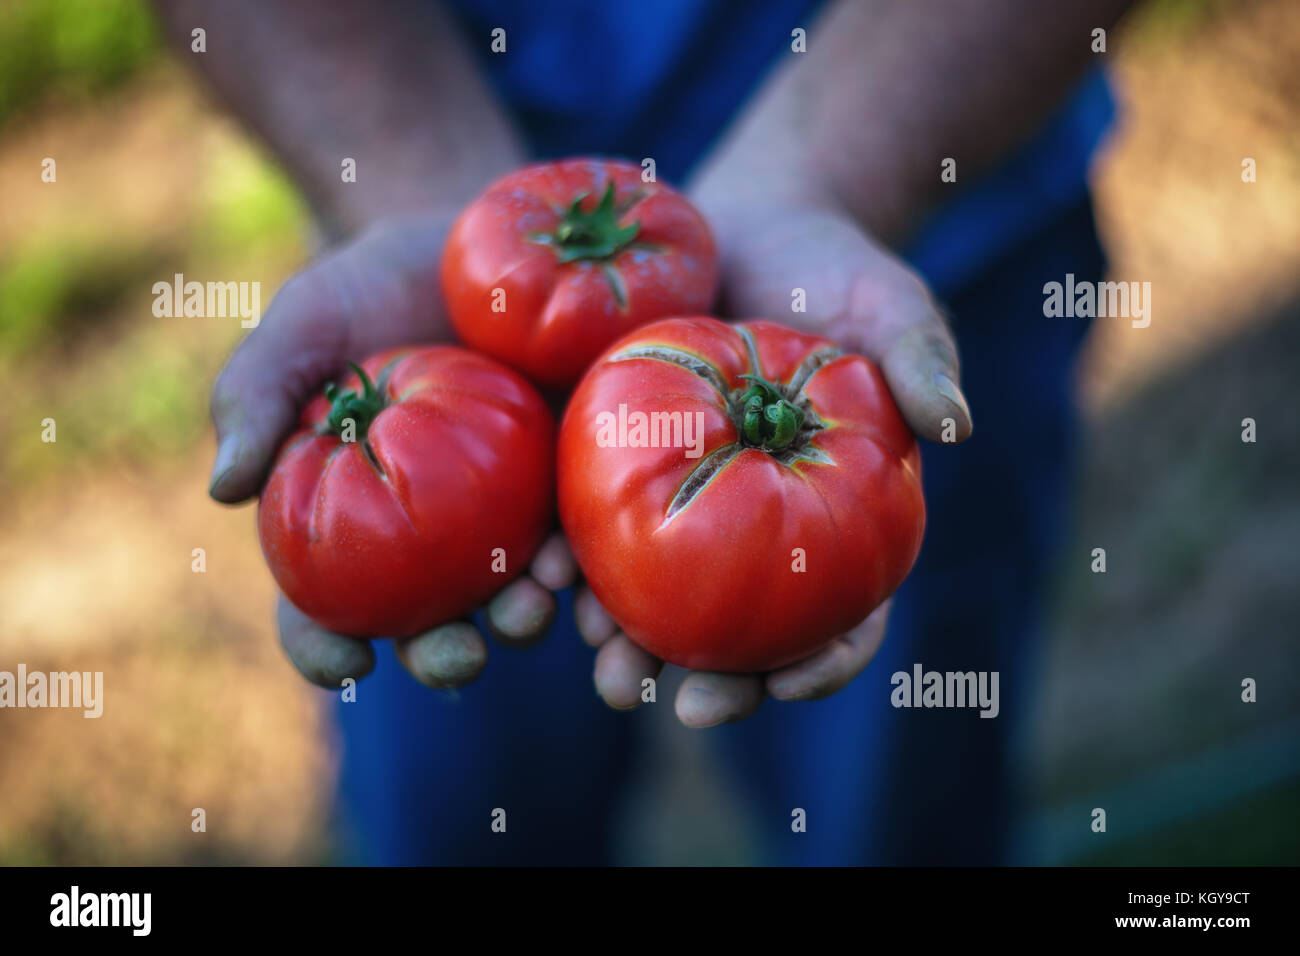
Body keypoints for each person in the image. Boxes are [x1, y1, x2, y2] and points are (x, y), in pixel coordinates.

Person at [156, 0, 1131, 863]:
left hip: (925, 204)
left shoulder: (847, 406)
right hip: (428, 268)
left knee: (898, 815)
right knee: (459, 826)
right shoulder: (422, 397)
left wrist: (835, 174)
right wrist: (411, 183)